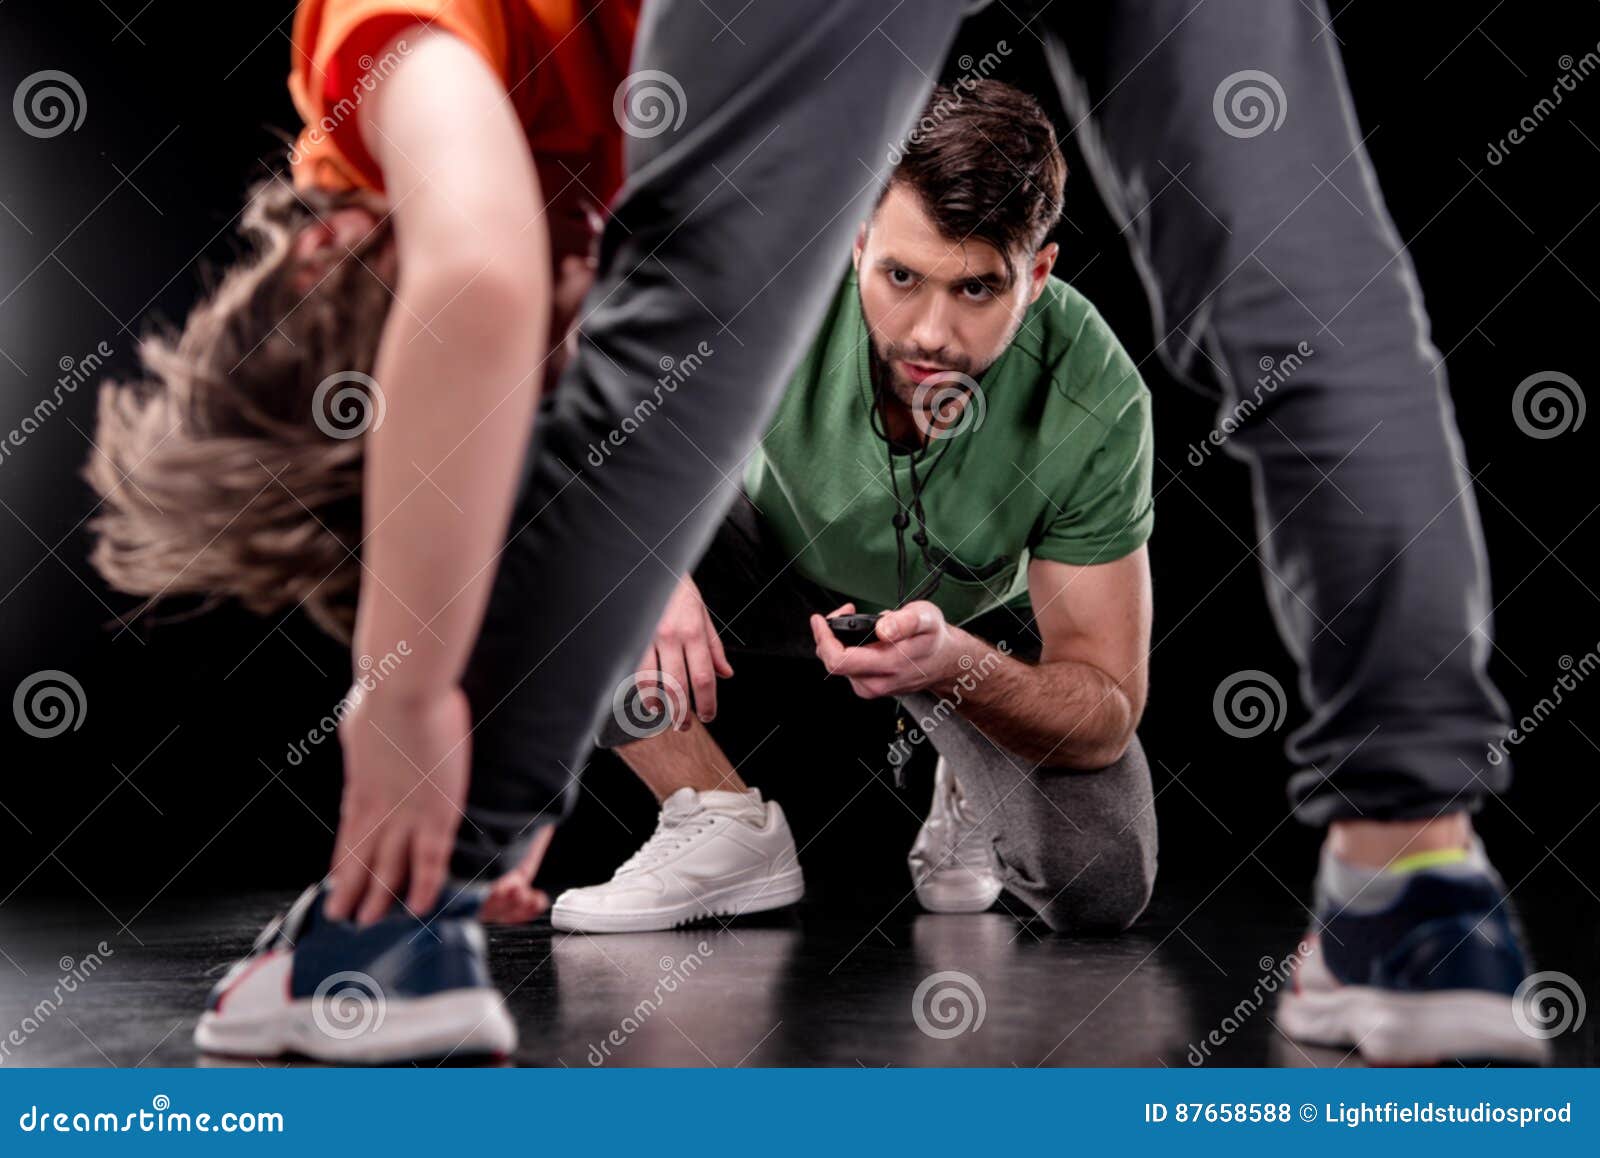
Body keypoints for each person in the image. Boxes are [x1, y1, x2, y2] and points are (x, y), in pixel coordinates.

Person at [87, 0, 1537, 1066]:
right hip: (802, 562)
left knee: (687, 326)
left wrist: (408, 704)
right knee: (1310, 294)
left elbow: (480, 279)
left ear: (334, 240)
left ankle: (397, 921)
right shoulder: (539, 164)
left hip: (939, 604)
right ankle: (1417, 880)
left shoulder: (375, 76)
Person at [550, 80, 1158, 939]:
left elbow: (1103, 707)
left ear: (1039, 275)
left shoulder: (1099, 398)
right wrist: (647, 555)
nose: (932, 334)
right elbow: (560, 393)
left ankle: (965, 769)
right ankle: (720, 820)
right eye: (901, 276)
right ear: (859, 239)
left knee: (1099, 885)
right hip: (769, 568)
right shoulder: (761, 270)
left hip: (971, 632)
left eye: (978, 289)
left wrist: (956, 668)